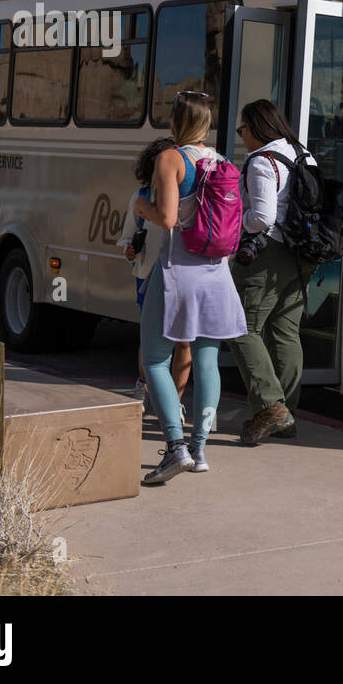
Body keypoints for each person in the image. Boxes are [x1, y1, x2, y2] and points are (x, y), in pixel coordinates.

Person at [134, 91, 247, 483]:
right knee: (206, 362)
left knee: (154, 361)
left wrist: (139, 205)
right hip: (217, 276)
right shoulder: (222, 161)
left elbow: (166, 218)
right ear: (207, 122)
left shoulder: (170, 158)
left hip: (176, 274)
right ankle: (199, 448)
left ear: (175, 121)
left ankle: (175, 448)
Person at [228, 98, 318, 445]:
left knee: (240, 325)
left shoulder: (262, 162)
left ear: (257, 128)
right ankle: (287, 414)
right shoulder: (301, 153)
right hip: (301, 254)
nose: (241, 136)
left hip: (268, 254)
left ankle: (270, 407)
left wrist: (239, 222)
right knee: (285, 331)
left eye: (243, 129)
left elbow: (263, 217)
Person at [117, 137, 193, 414]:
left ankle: (174, 403)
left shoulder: (190, 196)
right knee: (150, 339)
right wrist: (128, 248)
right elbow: (127, 237)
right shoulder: (142, 197)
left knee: (183, 341)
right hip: (148, 273)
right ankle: (142, 387)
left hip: (181, 275)